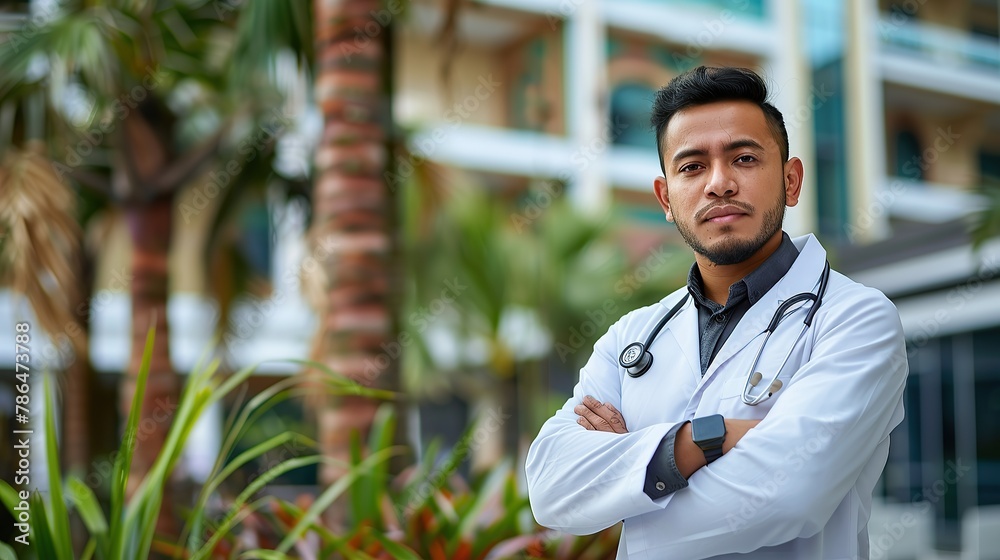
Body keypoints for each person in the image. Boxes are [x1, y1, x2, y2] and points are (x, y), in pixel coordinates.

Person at [525, 66, 907, 559]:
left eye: (744, 158)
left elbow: (788, 494)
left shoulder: (856, 319)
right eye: (692, 167)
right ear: (666, 198)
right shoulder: (632, 338)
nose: (719, 184)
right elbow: (552, 488)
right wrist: (711, 436)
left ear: (791, 182)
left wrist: (629, 489)